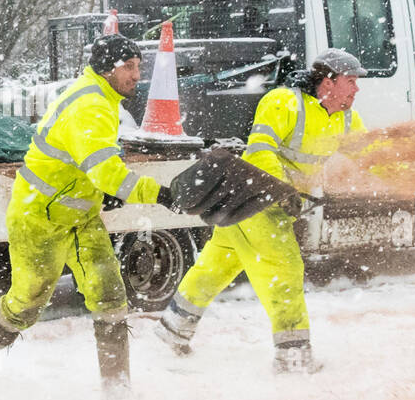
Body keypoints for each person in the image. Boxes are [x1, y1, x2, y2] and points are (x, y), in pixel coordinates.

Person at [0, 34, 176, 400]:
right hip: (39, 217)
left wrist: (98, 192)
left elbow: (86, 164)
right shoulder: (91, 105)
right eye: (129, 67)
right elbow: (109, 173)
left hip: (80, 218)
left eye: (138, 67)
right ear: (108, 69)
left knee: (111, 297)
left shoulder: (102, 99)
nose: (136, 75)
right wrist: (158, 194)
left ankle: (118, 395)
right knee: (26, 303)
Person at [155, 48, 367, 373]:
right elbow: (259, 150)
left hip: (249, 206)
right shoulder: (285, 102)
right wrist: (281, 191)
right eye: (351, 81)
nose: (356, 89)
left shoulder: (346, 118)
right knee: (285, 271)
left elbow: (371, 154)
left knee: (218, 264)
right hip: (258, 200)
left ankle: (173, 327)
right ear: (329, 81)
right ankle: (293, 356)